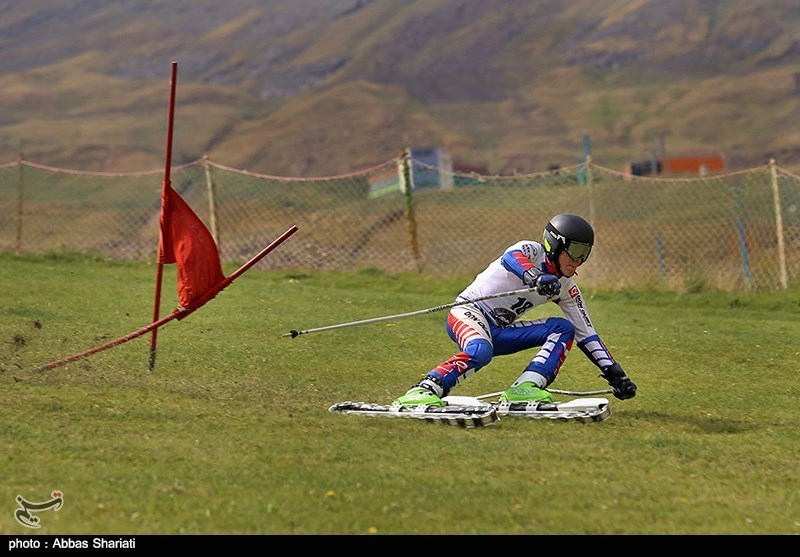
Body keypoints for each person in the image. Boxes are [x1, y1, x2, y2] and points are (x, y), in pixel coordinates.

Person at [391, 213, 637, 407]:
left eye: (586, 253)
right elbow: (511, 258)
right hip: (468, 312)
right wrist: (535, 277)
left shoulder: (566, 287)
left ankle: (526, 388)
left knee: (563, 329)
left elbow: (588, 334)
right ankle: (424, 389)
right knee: (480, 351)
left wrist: (615, 373)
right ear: (555, 245)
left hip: (499, 331)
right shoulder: (531, 250)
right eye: (576, 252)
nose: (579, 260)